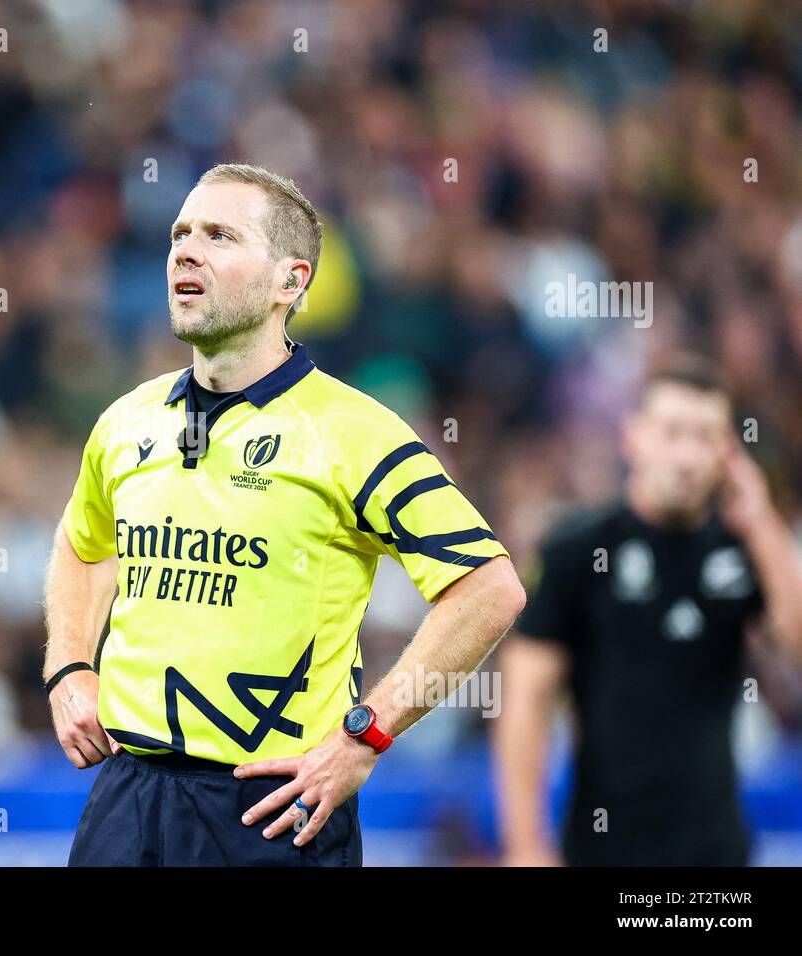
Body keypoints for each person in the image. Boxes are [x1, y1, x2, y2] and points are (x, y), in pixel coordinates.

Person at [43, 163, 526, 866]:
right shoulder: (127, 421)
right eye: (181, 233)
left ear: (289, 282)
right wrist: (68, 667)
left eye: (219, 235)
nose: (185, 249)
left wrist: (366, 736)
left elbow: (489, 587)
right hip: (127, 798)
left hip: (272, 811)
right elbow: (83, 544)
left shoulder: (355, 431)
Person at [494, 357, 802, 867]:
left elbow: (796, 642)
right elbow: (527, 701)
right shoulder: (577, 550)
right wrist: (525, 844)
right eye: (673, 432)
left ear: (727, 454)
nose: (686, 455)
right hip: (603, 847)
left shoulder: (743, 549)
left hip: (716, 852)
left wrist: (761, 520)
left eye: (705, 437)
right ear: (633, 437)